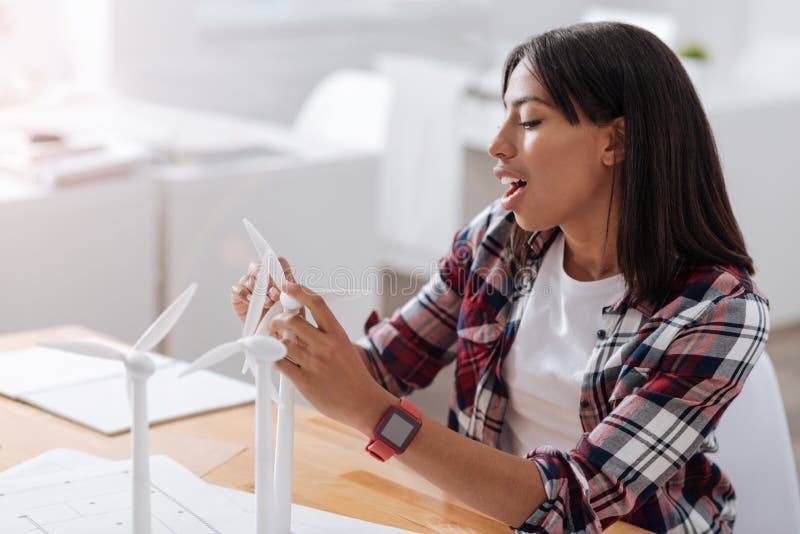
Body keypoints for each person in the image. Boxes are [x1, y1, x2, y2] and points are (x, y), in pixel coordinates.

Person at [231, 22, 770, 533]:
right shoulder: (496, 238)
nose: (497, 144)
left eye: (530, 121)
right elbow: (382, 369)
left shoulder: (717, 309)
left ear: (616, 143)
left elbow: (572, 503)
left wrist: (374, 412)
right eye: (503, 116)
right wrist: (292, 333)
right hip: (484, 516)